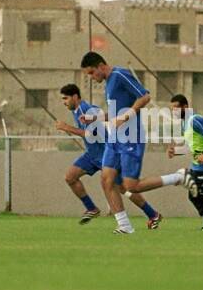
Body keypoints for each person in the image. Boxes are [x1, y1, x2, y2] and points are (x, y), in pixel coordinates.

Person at [127, 94, 203, 229]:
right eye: (172, 108)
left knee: (198, 193)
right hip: (197, 165)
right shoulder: (184, 124)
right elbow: (191, 146)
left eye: (176, 108)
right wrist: (176, 152)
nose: (174, 111)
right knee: (193, 195)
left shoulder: (195, 120)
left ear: (185, 107)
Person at [80, 52, 162, 234]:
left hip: (131, 136)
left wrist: (127, 116)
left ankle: (178, 178)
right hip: (115, 137)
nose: (92, 78)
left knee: (130, 185)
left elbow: (145, 96)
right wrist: (96, 117)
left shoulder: (119, 74)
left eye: (92, 73)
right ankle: (125, 225)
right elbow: (117, 113)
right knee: (107, 180)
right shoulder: (109, 83)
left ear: (101, 66)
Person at [55, 83, 158, 225]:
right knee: (70, 177)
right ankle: (91, 208)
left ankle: (152, 214)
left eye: (65, 98)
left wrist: (66, 128)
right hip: (92, 155)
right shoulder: (76, 111)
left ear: (75, 97)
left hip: (106, 155)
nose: (64, 102)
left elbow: (93, 135)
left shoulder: (89, 110)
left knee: (124, 188)